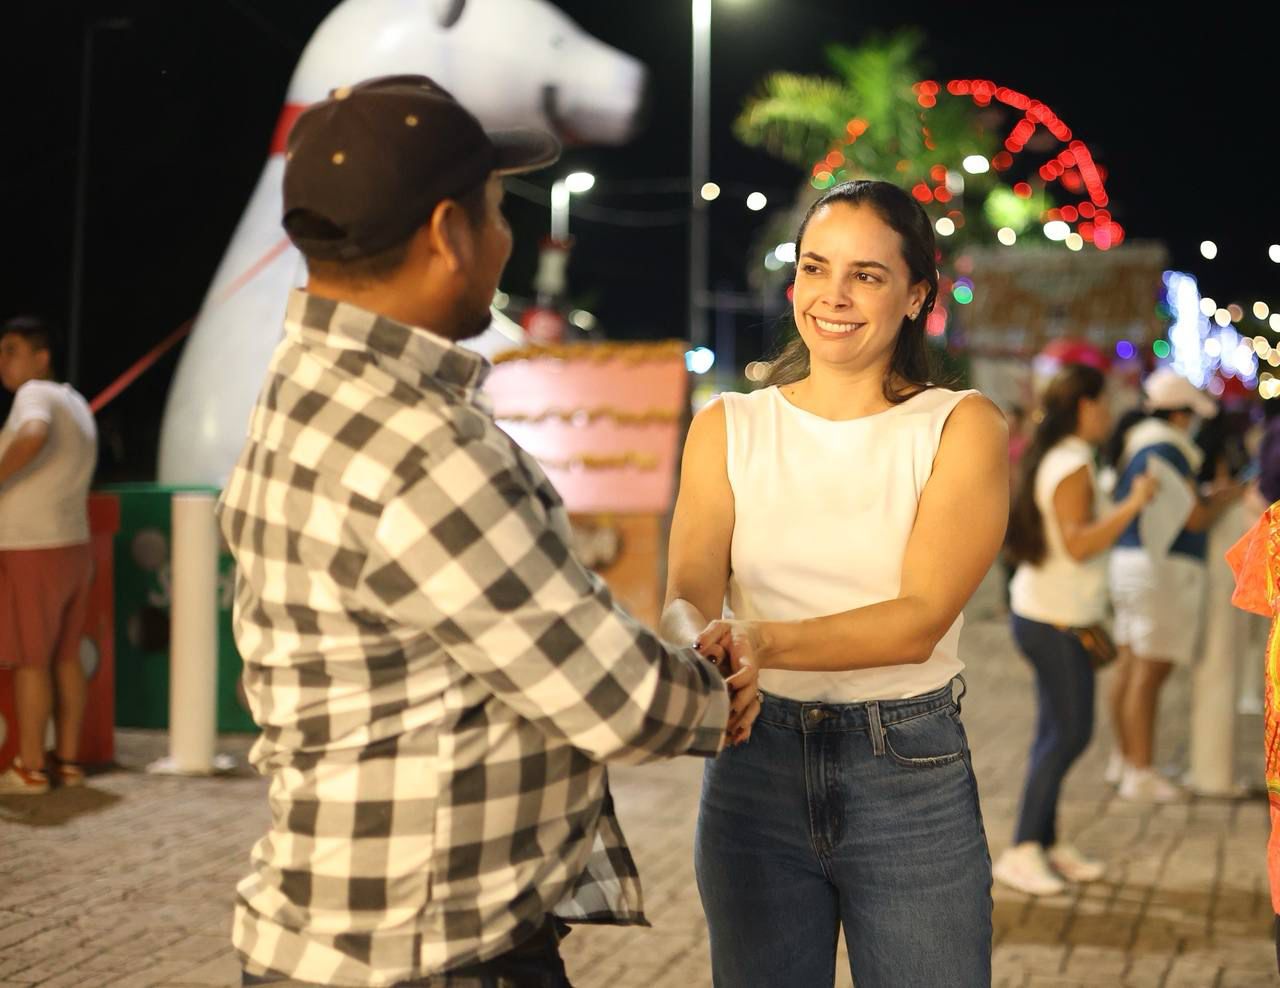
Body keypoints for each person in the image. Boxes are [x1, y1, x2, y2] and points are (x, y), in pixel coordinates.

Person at [217, 76, 759, 988]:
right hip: (427, 950)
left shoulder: (301, 384)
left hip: (327, 926)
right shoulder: (426, 448)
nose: (506, 240)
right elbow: (619, 700)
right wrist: (712, 690)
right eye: (500, 211)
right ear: (445, 234)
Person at [661, 179, 1009, 988]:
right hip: (751, 765)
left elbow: (918, 619)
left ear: (917, 294)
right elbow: (685, 592)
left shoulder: (959, 425)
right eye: (816, 268)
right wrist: (700, 650)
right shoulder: (728, 427)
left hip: (907, 769)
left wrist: (758, 639)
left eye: (868, 274)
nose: (835, 295)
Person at [994, 365, 1157, 895]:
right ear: (1084, 406)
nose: (1108, 413)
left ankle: (1044, 842)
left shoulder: (1064, 458)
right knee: (1069, 733)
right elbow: (1079, 544)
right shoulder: (1072, 464)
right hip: (1054, 620)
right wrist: (1134, 503)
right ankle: (1021, 849)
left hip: (1052, 614)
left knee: (1054, 733)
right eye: (1103, 403)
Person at [1104, 368, 1241, 801]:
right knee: (1150, 669)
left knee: (1130, 666)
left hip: (1129, 563)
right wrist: (1228, 497)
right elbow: (1194, 517)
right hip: (1158, 569)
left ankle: (1127, 761)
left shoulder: (1137, 443)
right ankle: (1140, 771)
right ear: (1181, 415)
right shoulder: (1166, 448)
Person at [0, 315, 98, 795]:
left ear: (41, 357)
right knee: (65, 658)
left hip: (31, 546)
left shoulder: (33, 396)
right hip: (74, 544)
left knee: (30, 660)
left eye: (12, 350)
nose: (3, 361)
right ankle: (71, 762)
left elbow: (33, 434)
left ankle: (31, 767)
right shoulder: (76, 401)